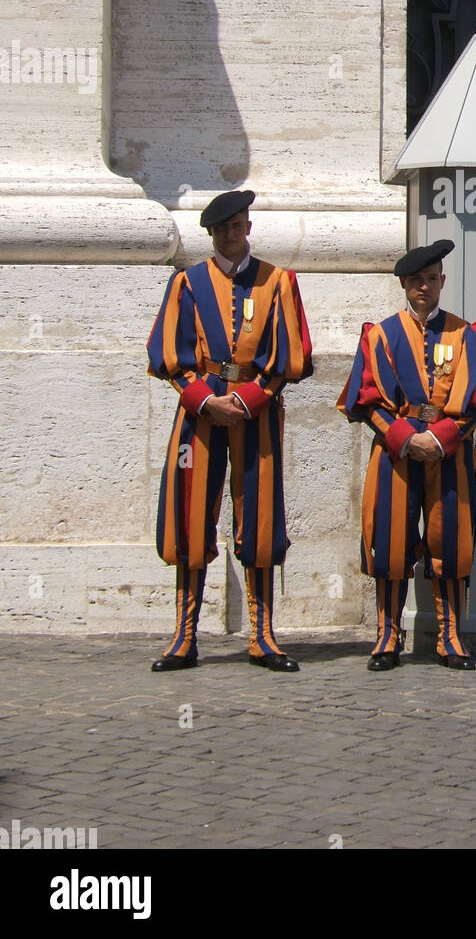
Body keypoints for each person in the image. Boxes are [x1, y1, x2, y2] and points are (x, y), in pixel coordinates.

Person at [146, 189, 313, 672]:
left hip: (254, 413)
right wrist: (205, 399)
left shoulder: (278, 282)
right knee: (190, 519)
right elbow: (167, 355)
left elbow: (291, 356)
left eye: (236, 225)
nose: (230, 234)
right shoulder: (187, 284)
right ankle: (184, 635)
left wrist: (246, 400)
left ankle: (262, 636)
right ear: (212, 233)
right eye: (221, 228)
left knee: (260, 520)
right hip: (199, 415)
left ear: (248, 227)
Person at [337, 240, 476, 671]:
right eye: (416, 281)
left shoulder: (466, 334)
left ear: (442, 282)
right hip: (396, 451)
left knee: (450, 542)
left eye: (431, 279)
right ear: (405, 286)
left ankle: (450, 637)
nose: (424, 287)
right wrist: (405, 438)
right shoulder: (380, 336)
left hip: (449, 454)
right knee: (390, 543)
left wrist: (442, 436)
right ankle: (387, 637)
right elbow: (365, 401)